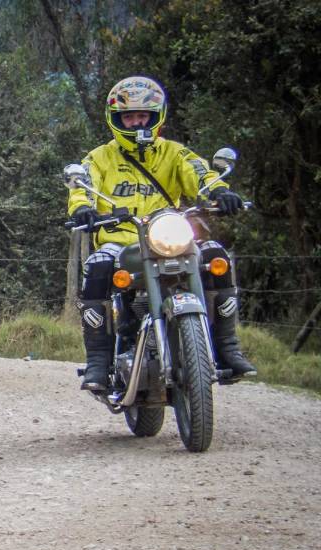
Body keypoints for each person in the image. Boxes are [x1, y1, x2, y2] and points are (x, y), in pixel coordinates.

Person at [68, 76, 256, 390]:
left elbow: (200, 174)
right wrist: (82, 208)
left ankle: (227, 347)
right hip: (121, 241)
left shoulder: (174, 153)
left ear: (156, 117)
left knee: (214, 255)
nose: (137, 122)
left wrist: (220, 192)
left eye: (143, 116)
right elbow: (82, 185)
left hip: (170, 238)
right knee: (99, 264)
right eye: (129, 116)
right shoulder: (99, 158)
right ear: (116, 119)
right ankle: (98, 360)